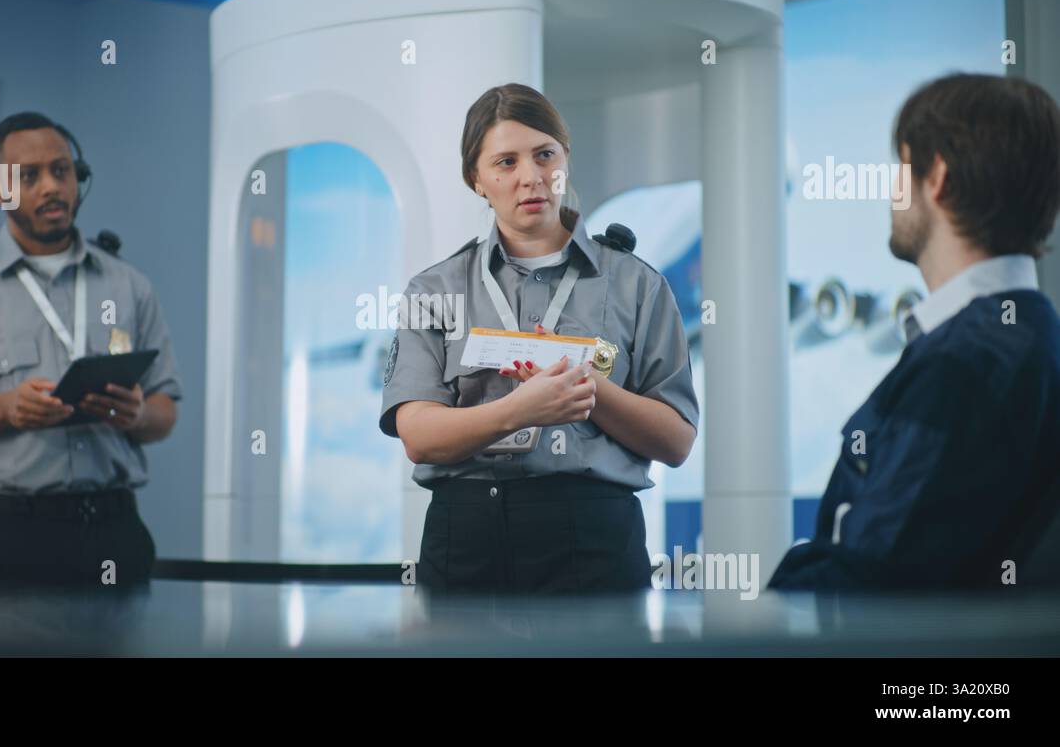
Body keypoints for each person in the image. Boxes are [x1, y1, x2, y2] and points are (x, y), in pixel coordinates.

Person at [380, 83, 699, 595]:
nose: (530, 177)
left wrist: (585, 392)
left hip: (595, 535)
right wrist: (521, 409)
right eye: (505, 162)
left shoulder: (638, 284)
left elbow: (677, 440)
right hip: (466, 536)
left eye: (544, 155)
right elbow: (418, 436)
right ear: (476, 180)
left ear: (564, 160)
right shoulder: (435, 289)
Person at [770, 73, 1060, 591]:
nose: (890, 189)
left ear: (938, 178)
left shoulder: (965, 362)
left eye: (902, 166)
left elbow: (872, 576)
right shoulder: (1028, 336)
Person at [0, 112, 182, 590]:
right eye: (28, 176)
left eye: (62, 170)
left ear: (80, 178)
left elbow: (165, 411)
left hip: (116, 536)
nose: (51, 187)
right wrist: (5, 409)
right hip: (11, 537)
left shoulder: (129, 284)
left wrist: (137, 415)